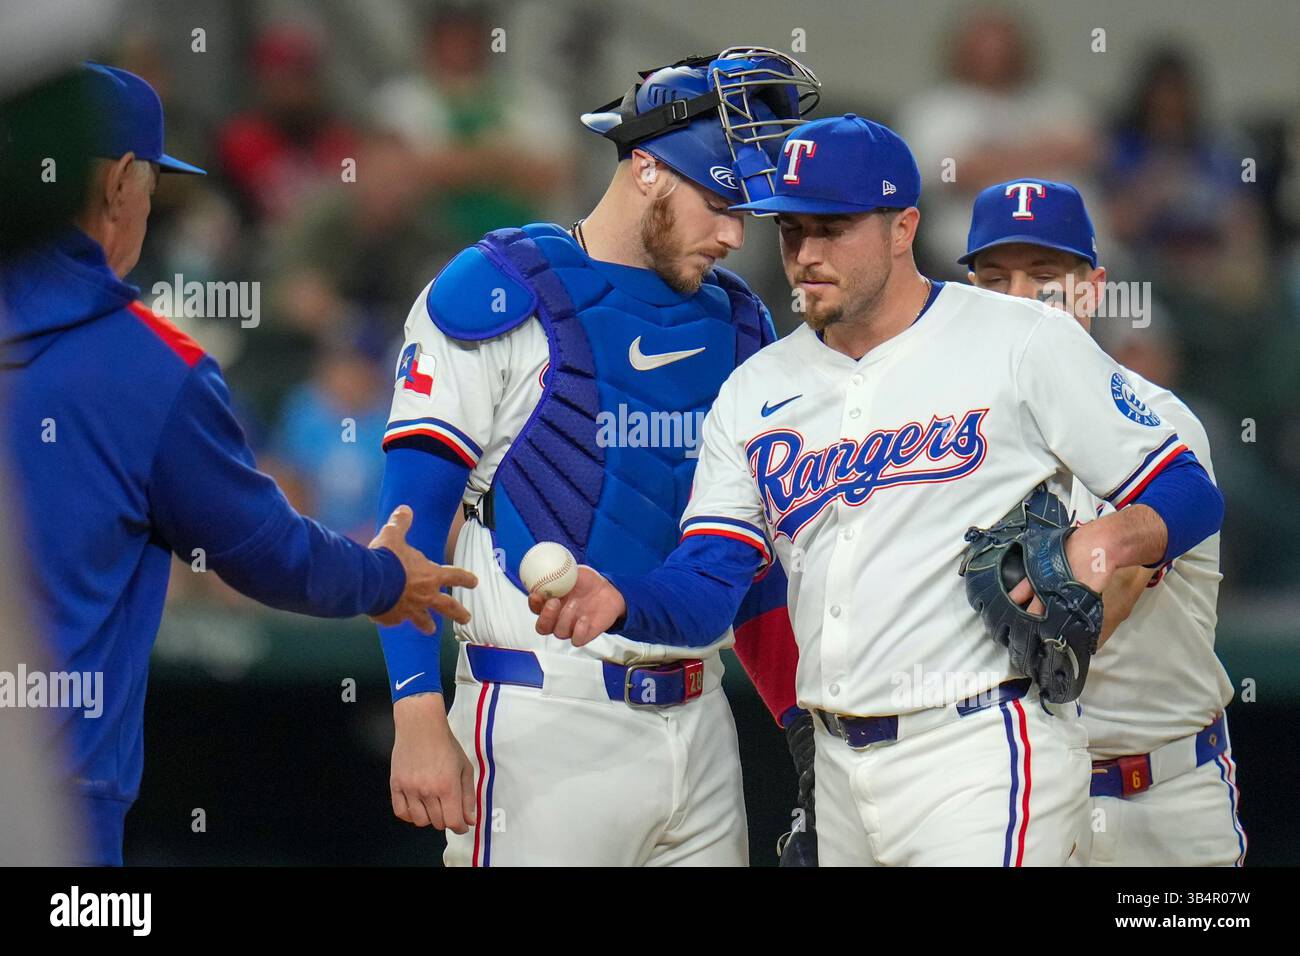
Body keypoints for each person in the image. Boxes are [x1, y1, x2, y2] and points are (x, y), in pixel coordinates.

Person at [531, 115, 1225, 866]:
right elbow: (709, 581)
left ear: (903, 227)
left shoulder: (1021, 341)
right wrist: (624, 600)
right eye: (792, 231)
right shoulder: (755, 388)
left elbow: (1189, 493)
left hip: (979, 747)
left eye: (832, 228)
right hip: (837, 766)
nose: (806, 255)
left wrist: (1111, 538)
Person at [0, 63, 473, 866]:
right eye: (152, 186)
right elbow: (268, 554)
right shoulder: (149, 368)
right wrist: (387, 580)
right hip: (47, 808)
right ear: (119, 184)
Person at [374, 48, 820, 866]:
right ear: (647, 170)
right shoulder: (499, 287)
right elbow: (407, 528)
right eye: (720, 201)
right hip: (542, 715)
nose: (732, 233)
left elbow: (748, 565)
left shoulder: (740, 321)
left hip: (703, 721)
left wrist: (800, 733)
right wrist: (415, 712)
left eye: (746, 212)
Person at [961, 178, 1245, 865]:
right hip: (1022, 794)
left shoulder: (1156, 422)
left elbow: (1090, 616)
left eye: (1047, 277)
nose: (1021, 299)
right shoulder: (946, 443)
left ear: (1093, 289)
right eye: (996, 280)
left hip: (1164, 796)